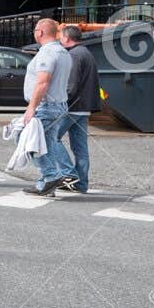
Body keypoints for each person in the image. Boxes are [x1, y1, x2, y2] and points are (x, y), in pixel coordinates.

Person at [20, 16, 77, 197]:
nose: (34, 33)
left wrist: (31, 107)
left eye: (35, 30)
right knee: (49, 144)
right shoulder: (63, 52)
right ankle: (45, 185)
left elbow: (43, 82)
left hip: (46, 106)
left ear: (41, 32)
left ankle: (51, 176)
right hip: (59, 105)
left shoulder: (47, 53)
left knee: (28, 140)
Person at [58, 24, 100, 193]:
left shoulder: (74, 55)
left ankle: (70, 174)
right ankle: (81, 184)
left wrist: (61, 102)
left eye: (61, 37)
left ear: (67, 38)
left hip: (72, 107)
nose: (59, 40)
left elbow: (71, 85)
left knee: (51, 138)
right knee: (80, 147)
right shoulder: (86, 53)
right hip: (84, 108)